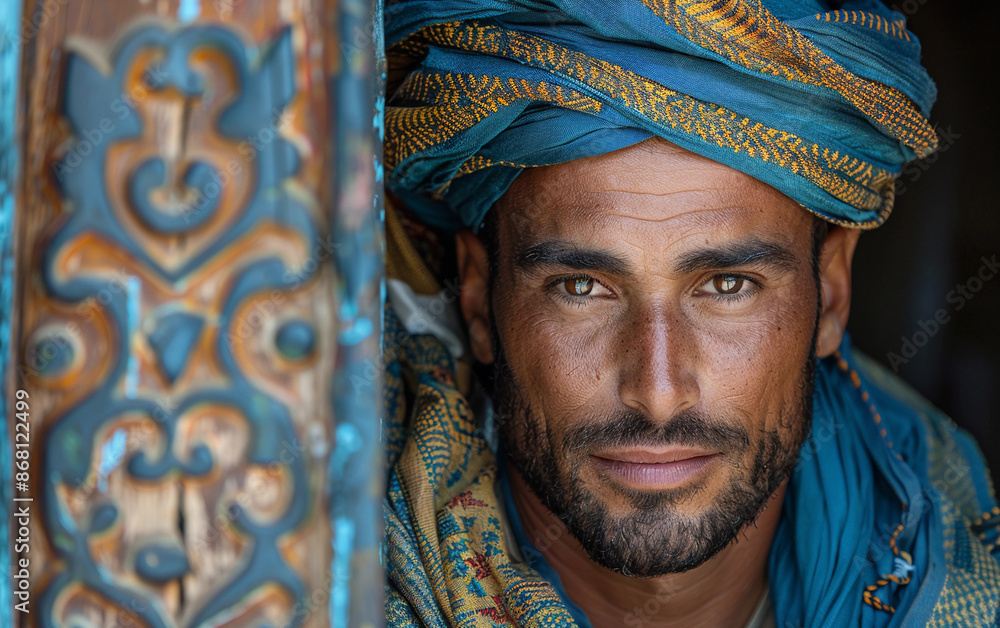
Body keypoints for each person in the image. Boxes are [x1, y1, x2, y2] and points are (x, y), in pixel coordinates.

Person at [381, 1, 1000, 626]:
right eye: (581, 288)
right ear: (480, 299)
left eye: (728, 285)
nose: (657, 393)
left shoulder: (960, 586)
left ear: (831, 292)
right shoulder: (336, 589)